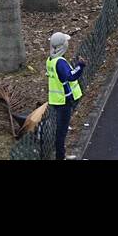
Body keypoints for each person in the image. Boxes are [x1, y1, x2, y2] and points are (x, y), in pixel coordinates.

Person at [45, 31, 84, 160]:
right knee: (61, 131)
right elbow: (71, 76)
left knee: (61, 129)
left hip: (56, 100)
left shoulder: (50, 60)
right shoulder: (60, 62)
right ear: (62, 45)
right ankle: (60, 156)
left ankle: (60, 154)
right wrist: (80, 66)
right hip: (64, 101)